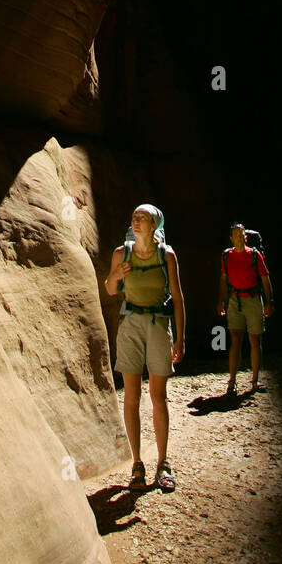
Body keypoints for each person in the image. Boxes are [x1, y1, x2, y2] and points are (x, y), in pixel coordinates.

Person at [105, 204, 185, 492]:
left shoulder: (167, 256)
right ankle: (137, 464)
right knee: (132, 395)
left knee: (158, 395)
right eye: (134, 218)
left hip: (158, 324)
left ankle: (163, 463)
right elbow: (111, 289)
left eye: (143, 218)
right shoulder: (120, 253)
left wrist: (180, 337)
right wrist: (116, 276)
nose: (136, 221)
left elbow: (177, 298)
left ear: (154, 225)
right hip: (131, 325)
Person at [217, 221, 273, 395]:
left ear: (246, 237)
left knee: (255, 340)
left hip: (253, 300)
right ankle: (232, 381)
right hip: (235, 301)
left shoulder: (254, 255)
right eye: (236, 236)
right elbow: (224, 280)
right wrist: (221, 301)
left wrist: (269, 302)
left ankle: (254, 381)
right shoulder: (227, 256)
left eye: (242, 236)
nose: (240, 239)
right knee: (235, 339)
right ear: (231, 239)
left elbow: (265, 280)